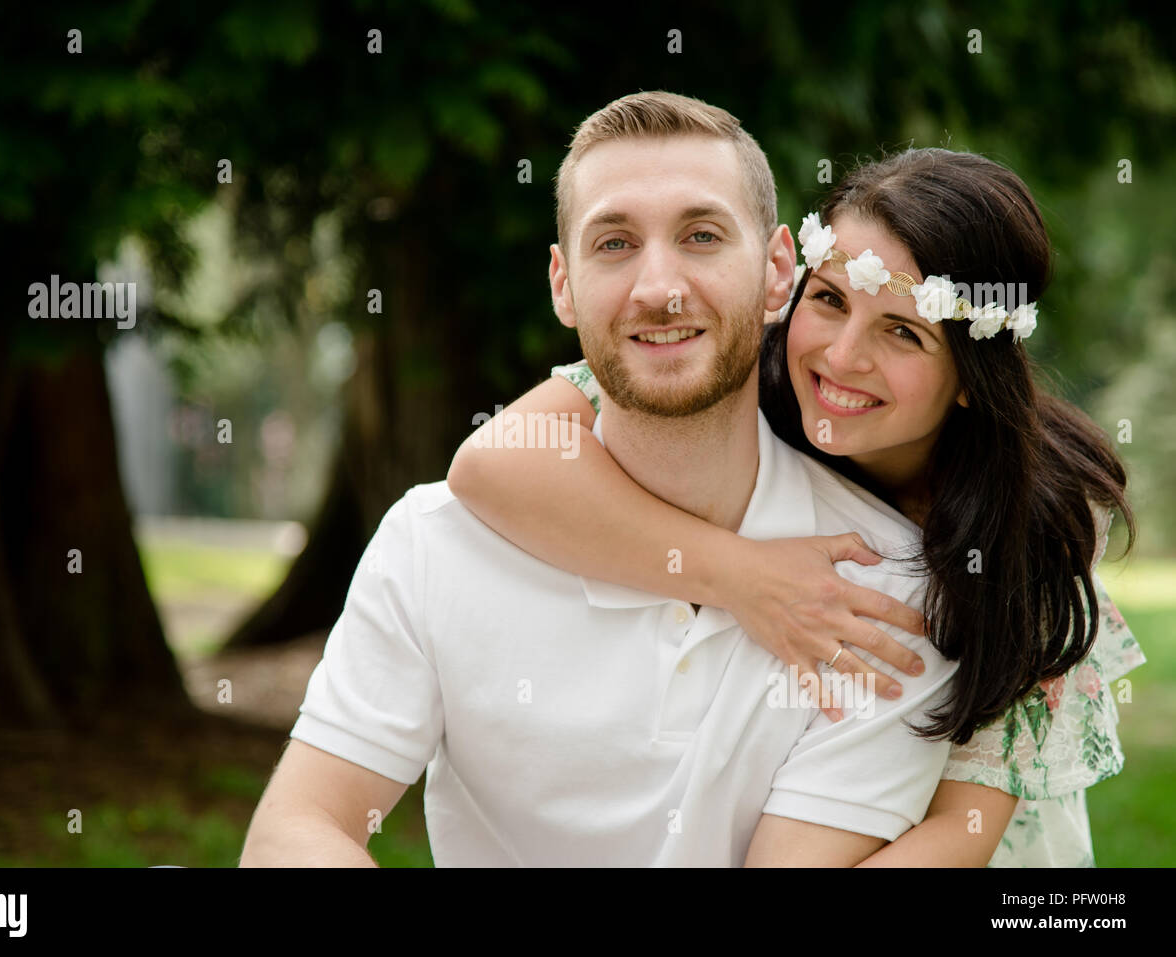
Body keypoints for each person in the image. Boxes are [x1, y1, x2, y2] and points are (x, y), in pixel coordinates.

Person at [242, 91, 966, 867]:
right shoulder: (435, 542)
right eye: (615, 243)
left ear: (778, 271)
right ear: (563, 284)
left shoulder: (889, 596)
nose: (659, 287)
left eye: (702, 235)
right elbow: (298, 828)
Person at [447, 143, 1145, 866]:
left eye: (902, 331)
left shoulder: (1025, 533)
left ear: (972, 374)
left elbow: (958, 831)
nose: (842, 358)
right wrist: (741, 576)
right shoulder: (731, 369)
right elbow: (495, 459)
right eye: (831, 299)